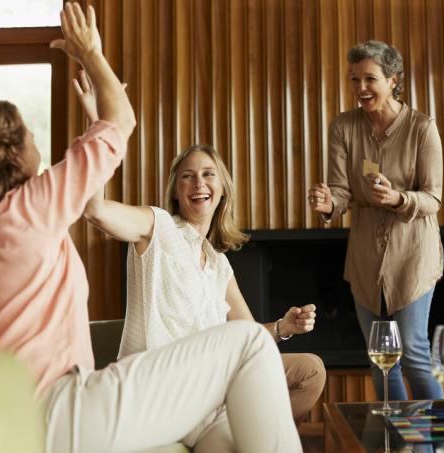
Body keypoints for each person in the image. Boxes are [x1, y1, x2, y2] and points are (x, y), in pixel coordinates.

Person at [0, 3, 301, 453]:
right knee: (247, 343)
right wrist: (90, 51)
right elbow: (121, 122)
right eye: (29, 135)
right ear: (9, 156)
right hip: (56, 413)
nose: (36, 141)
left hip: (19, 417)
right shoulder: (27, 209)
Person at [77, 80, 326, 448]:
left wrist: (284, 327)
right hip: (162, 388)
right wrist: (99, 126)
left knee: (309, 371)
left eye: (208, 174)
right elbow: (94, 210)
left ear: (221, 187)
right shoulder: (156, 226)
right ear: (177, 192)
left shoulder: (218, 263)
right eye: (187, 176)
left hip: (210, 399)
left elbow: (250, 336)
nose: (199, 182)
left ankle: (244, 420)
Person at [308, 40, 444, 402]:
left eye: (370, 79)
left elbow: (433, 198)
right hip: (366, 257)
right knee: (381, 359)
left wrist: (398, 198)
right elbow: (340, 192)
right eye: (354, 80)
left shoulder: (421, 128)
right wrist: (326, 204)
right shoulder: (343, 127)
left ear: (393, 80)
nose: (361, 88)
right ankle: (397, 441)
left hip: (413, 254)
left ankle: (440, 445)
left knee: (413, 355)